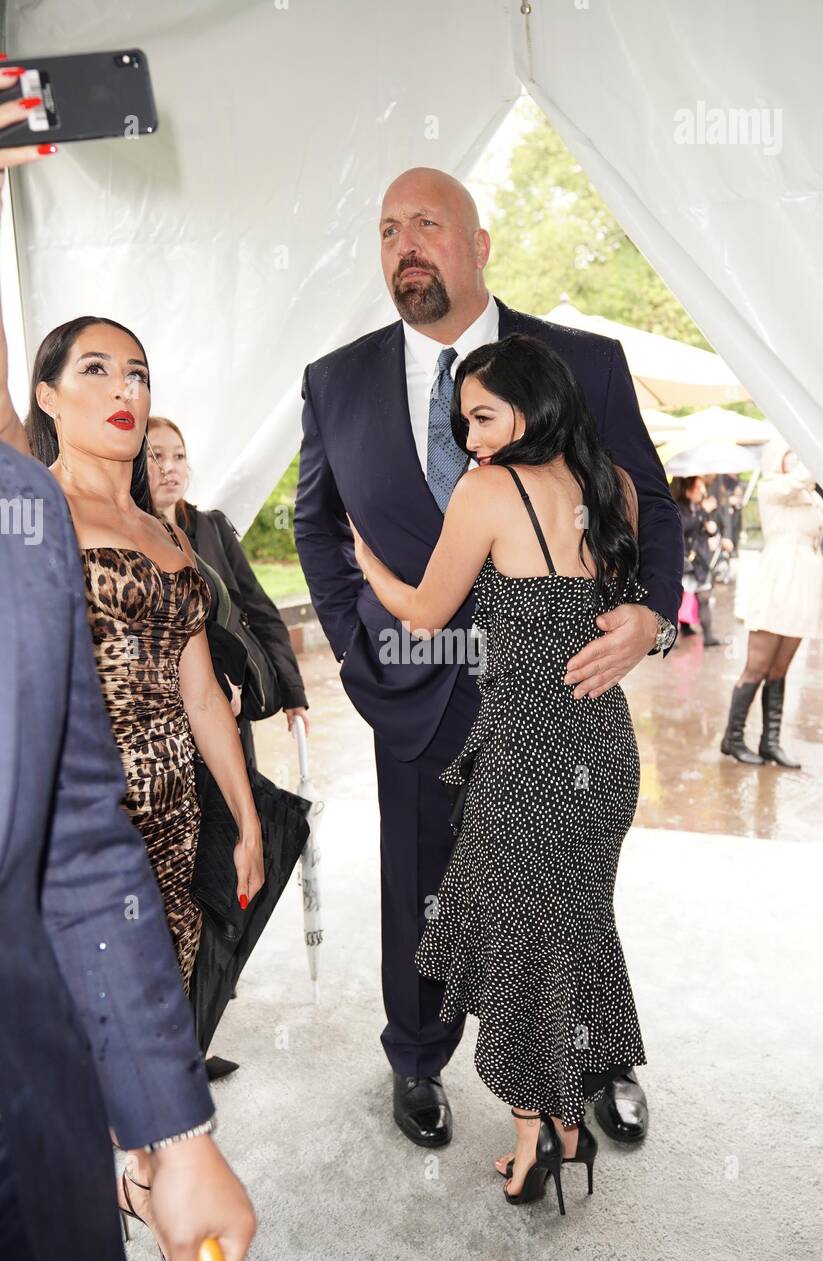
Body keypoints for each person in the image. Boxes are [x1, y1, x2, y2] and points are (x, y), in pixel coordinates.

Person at [294, 166, 682, 1152]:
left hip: (559, 694)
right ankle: (417, 1059)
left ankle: (592, 1056)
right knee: (422, 880)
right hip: (410, 695)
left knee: (560, 879)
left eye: (427, 223)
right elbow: (314, 527)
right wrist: (356, 650)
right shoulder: (332, 380)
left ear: (479, 244)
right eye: (386, 230)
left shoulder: (582, 361)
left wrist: (647, 616)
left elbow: (652, 501)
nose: (404, 244)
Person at [349, 333, 649, 1210]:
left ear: (534, 401)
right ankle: (562, 1123)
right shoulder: (611, 487)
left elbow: (424, 609)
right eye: (461, 419)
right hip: (605, 753)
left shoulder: (488, 490)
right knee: (567, 931)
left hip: (528, 758)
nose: (469, 437)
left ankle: (537, 1139)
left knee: (513, 942)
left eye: (482, 414)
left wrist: (364, 559)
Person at [0, 439, 256, 1261]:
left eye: (136, 370)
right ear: (47, 394)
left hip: (154, 806)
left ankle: (134, 1158)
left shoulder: (19, 511)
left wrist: (178, 1133)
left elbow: (77, 842)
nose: (124, 390)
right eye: (97, 368)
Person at [146, 414, 310, 771]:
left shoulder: (212, 527)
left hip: (234, 705)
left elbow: (260, 610)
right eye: (155, 456)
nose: (169, 468)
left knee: (242, 803)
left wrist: (293, 692)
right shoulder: (128, 541)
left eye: (178, 456)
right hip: (173, 719)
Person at [720, 439, 823, 766]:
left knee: (780, 668)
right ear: (776, 460)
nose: (799, 459)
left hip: (806, 588)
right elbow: (802, 477)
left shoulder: (811, 497)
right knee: (756, 666)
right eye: (792, 454)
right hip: (779, 584)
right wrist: (815, 456)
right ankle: (733, 737)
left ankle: (770, 741)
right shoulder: (774, 488)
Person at [671, 475, 730, 647]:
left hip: (700, 561)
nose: (703, 491)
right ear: (687, 489)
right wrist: (703, 511)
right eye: (699, 487)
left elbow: (706, 529)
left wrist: (712, 531)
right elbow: (683, 527)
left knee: (703, 597)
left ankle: (708, 636)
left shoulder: (699, 508)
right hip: (684, 560)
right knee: (676, 599)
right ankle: (671, 637)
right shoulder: (677, 507)